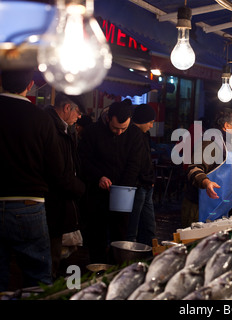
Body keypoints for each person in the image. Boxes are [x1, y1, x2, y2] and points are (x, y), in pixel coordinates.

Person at [0, 68, 67, 291]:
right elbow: (56, 169)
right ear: (29, 86)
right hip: (29, 204)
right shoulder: (41, 118)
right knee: (37, 279)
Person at [78, 100, 144, 263]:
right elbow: (82, 160)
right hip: (96, 193)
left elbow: (134, 164)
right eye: (115, 128)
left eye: (124, 128)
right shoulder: (92, 132)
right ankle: (97, 268)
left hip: (123, 193)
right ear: (108, 118)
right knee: (96, 234)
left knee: (119, 235)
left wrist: (123, 187)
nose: (120, 132)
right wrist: (98, 177)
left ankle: (116, 270)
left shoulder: (135, 134)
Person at [43, 92, 86, 280]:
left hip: (59, 201)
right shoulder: (50, 126)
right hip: (51, 201)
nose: (79, 117)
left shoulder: (65, 128)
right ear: (67, 107)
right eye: (78, 112)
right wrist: (81, 189)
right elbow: (58, 172)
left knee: (55, 257)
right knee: (48, 260)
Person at [126, 104, 156, 246]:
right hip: (137, 186)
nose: (151, 126)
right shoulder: (132, 134)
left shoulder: (144, 135)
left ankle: (149, 251)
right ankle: (128, 254)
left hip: (146, 184)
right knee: (133, 225)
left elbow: (146, 160)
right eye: (150, 122)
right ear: (143, 120)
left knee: (149, 225)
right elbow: (136, 162)